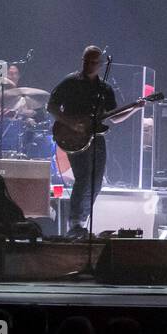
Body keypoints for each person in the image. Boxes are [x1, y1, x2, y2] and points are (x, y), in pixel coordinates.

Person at [47, 47, 116, 240]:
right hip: (72, 136)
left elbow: (116, 116)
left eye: (92, 62)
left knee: (96, 182)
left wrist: (136, 107)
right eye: (85, 61)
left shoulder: (104, 89)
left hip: (96, 137)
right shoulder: (71, 82)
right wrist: (69, 123)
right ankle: (75, 223)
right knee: (84, 177)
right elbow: (51, 105)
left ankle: (81, 222)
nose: (88, 65)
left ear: (100, 65)